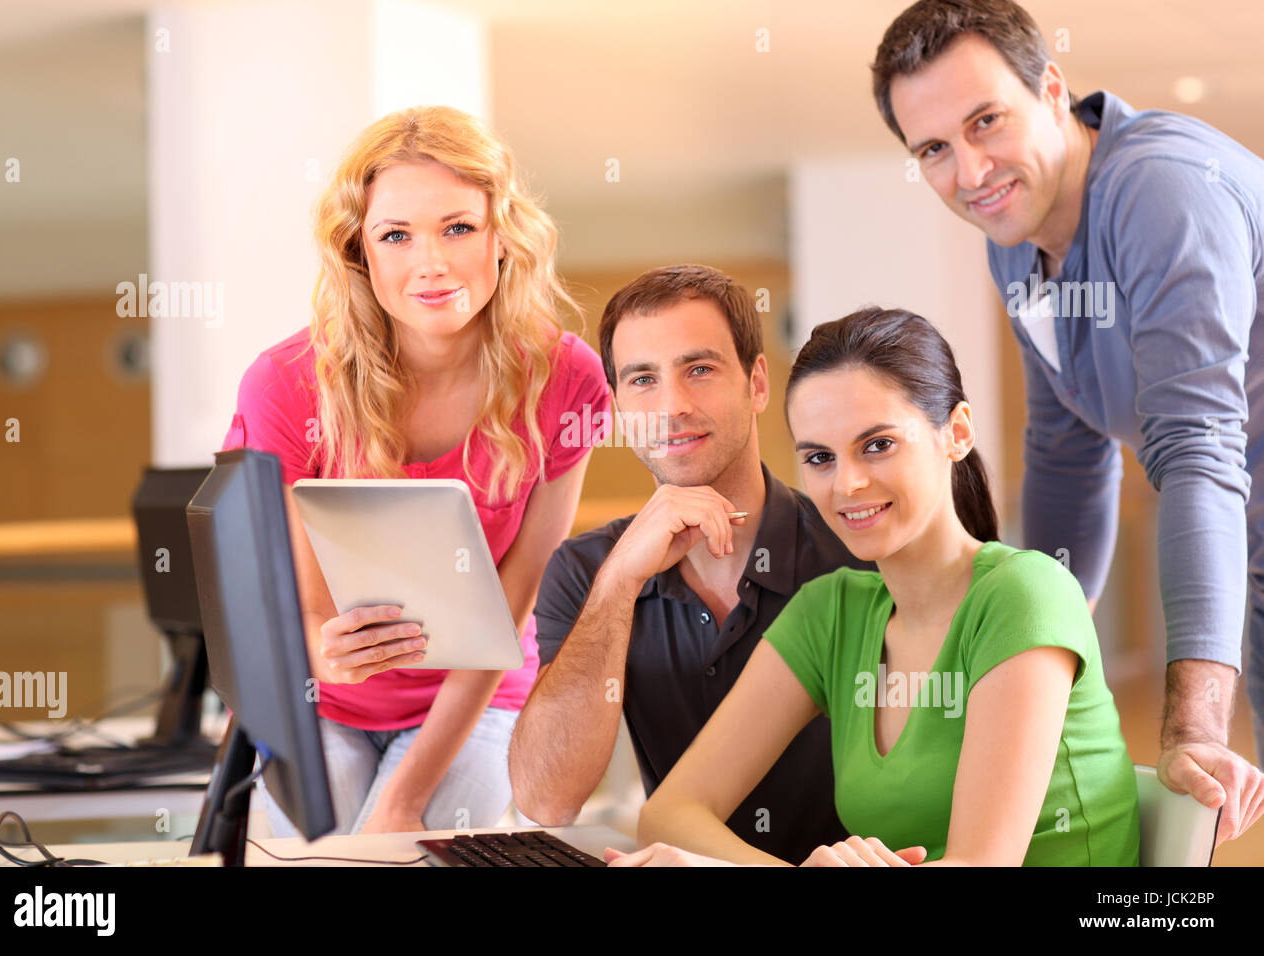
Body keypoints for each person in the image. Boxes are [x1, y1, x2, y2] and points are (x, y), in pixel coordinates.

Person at [869, 0, 1264, 844]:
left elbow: (1196, 449)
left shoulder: (1159, 190)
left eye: (987, 121)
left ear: (1052, 90)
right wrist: (1036, 645)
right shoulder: (1013, 239)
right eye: (934, 149)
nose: (970, 171)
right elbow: (1066, 446)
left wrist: (1194, 728)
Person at [610, 307, 1141, 867]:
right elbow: (669, 813)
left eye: (878, 444)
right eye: (819, 457)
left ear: (956, 432)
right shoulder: (830, 613)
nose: (847, 484)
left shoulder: (1026, 594)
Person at [221, 105, 610, 837]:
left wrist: (404, 796)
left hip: (477, 700)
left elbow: (512, 604)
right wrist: (323, 653)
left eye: (457, 227)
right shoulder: (287, 384)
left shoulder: (566, 379)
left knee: (397, 844)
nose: (429, 262)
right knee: (319, 851)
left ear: (502, 235)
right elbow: (299, 610)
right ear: (360, 253)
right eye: (395, 235)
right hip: (320, 700)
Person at [508, 264, 873, 864]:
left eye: (698, 370)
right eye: (643, 380)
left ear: (758, 384)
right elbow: (548, 800)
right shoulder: (588, 570)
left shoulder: (853, 554)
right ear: (619, 406)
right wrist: (621, 582)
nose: (672, 406)